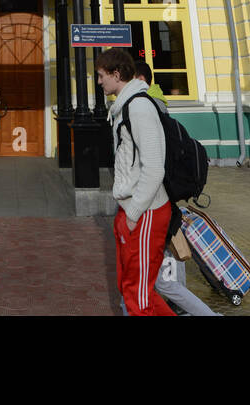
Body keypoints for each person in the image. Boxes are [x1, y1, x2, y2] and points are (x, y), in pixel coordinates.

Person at [117, 60, 220, 317]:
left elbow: (153, 169)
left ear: (139, 79)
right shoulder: (154, 108)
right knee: (153, 281)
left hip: (154, 211)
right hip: (159, 209)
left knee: (156, 282)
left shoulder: (145, 111)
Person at [96, 47, 174, 316]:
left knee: (137, 296)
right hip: (132, 210)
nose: (99, 81)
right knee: (135, 290)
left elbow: (153, 168)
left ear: (116, 74)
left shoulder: (138, 107)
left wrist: (133, 212)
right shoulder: (122, 107)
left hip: (146, 212)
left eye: (101, 75)